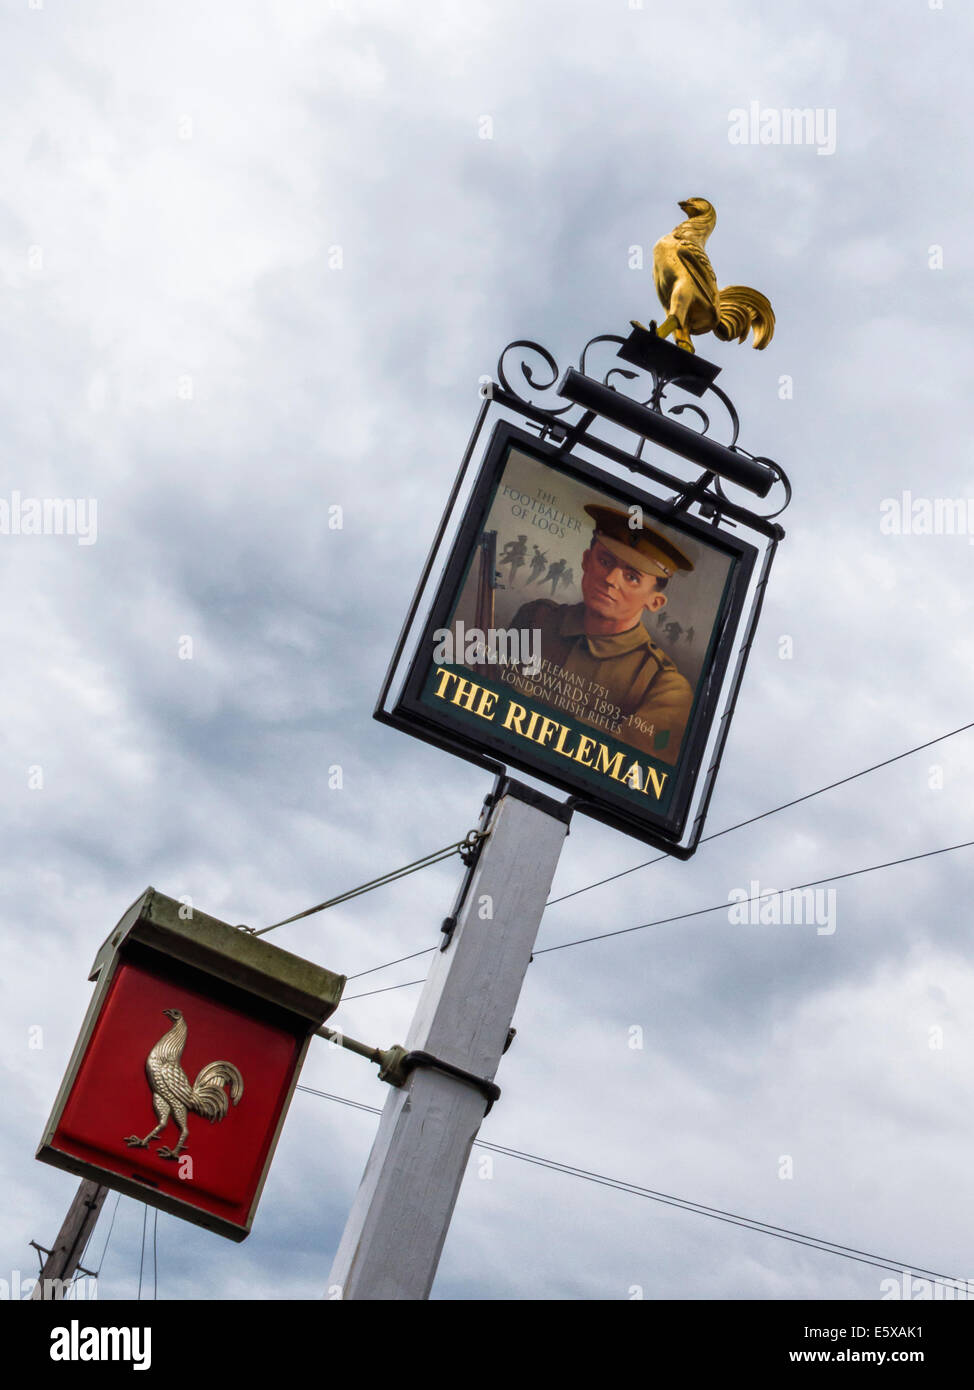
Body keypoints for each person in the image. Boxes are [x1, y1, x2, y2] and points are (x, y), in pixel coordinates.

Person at [508, 505, 694, 765]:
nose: (611, 579)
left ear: (655, 602)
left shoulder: (665, 686)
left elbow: (628, 769)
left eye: (632, 577)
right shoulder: (536, 619)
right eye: (605, 561)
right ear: (586, 560)